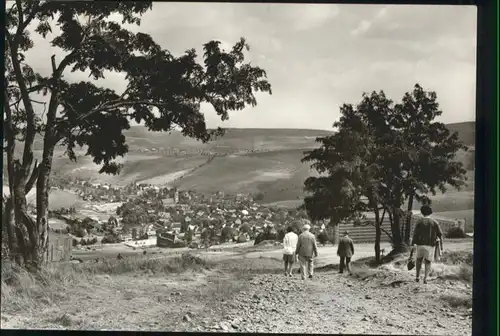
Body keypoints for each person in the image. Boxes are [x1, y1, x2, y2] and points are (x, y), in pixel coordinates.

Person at [411, 205, 443, 284]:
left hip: (419, 244)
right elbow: (440, 234)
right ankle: (425, 278)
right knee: (428, 262)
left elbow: (415, 233)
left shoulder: (419, 221)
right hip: (430, 245)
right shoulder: (434, 222)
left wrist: (413, 243)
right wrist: (441, 247)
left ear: (422, 212)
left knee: (419, 260)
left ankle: (417, 277)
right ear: (430, 212)